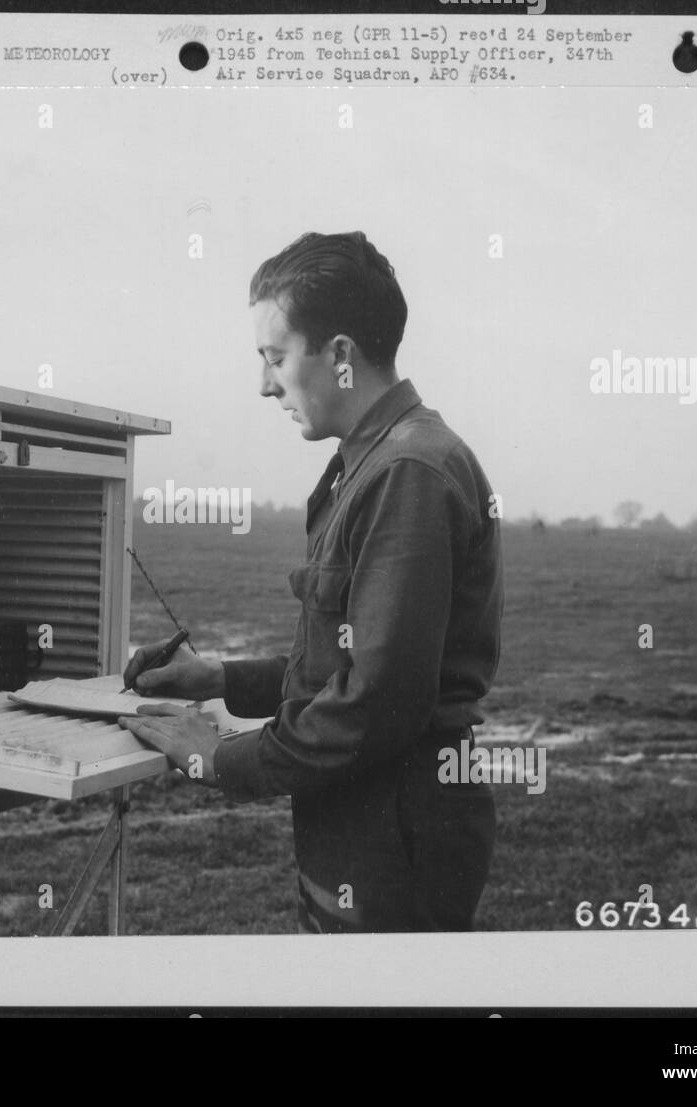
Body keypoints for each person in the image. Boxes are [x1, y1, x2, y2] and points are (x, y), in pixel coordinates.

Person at [119, 231, 503, 933]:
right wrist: (215, 678)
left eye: (275, 357)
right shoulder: (375, 463)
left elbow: (374, 704)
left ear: (341, 356)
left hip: (392, 837)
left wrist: (215, 756)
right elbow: (347, 668)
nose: (266, 384)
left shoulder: (405, 474)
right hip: (367, 827)